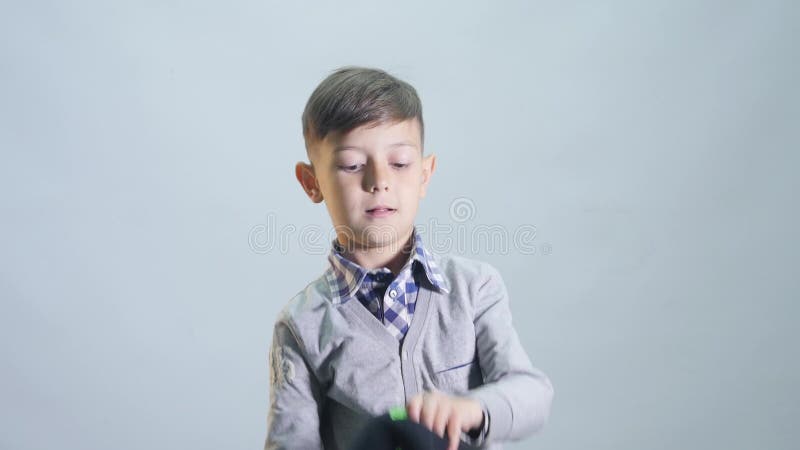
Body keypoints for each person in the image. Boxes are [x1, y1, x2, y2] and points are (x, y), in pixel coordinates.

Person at [264, 66, 554, 450]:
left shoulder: (474, 288)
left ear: (425, 174)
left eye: (400, 163)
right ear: (311, 182)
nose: (379, 181)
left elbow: (532, 392)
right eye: (352, 165)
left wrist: (472, 408)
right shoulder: (302, 325)